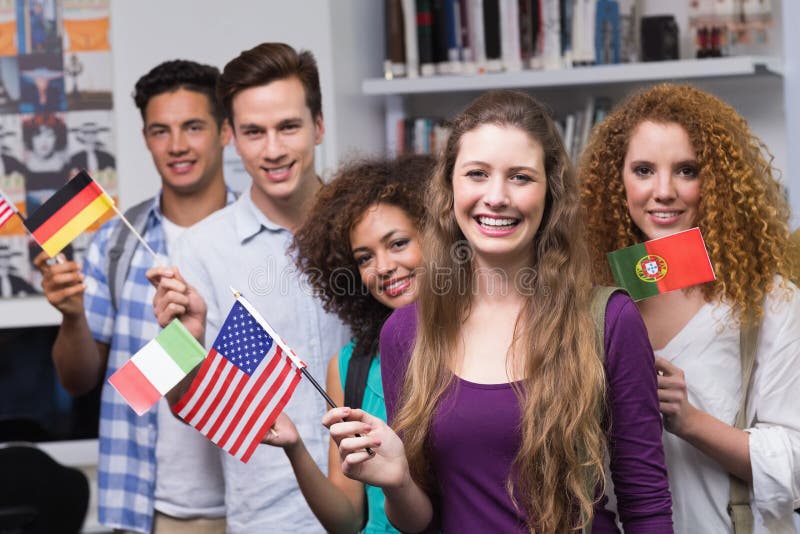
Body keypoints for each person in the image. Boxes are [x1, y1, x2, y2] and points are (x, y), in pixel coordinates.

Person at [324, 90, 673, 533]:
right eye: (477, 174)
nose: (496, 196)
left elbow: (646, 505)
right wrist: (397, 483)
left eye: (520, 177)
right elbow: (421, 523)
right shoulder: (406, 332)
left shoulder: (608, 319)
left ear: (551, 193)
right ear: (450, 187)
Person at [147, 43, 350, 533]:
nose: (273, 149)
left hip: (384, 511)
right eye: (254, 132)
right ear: (232, 138)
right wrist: (185, 339)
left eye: (289, 127)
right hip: (269, 518)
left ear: (319, 126)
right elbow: (178, 403)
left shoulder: (367, 231)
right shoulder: (198, 248)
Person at [579, 83, 800, 533]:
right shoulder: (586, 300)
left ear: (717, 181)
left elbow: (795, 465)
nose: (663, 191)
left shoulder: (766, 299)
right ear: (616, 181)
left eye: (686, 170)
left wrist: (690, 420)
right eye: (643, 170)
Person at [32, 59, 235, 534]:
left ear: (225, 131)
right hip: (148, 505)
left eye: (193, 127)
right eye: (161, 131)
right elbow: (77, 380)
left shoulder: (259, 236)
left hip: (254, 501)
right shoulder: (117, 243)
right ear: (145, 138)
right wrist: (72, 317)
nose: (177, 145)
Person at [258, 154, 433, 533]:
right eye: (365, 258)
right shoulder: (349, 367)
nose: (383, 267)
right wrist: (295, 448)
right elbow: (347, 520)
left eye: (398, 243)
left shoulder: (483, 348)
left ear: (437, 236)